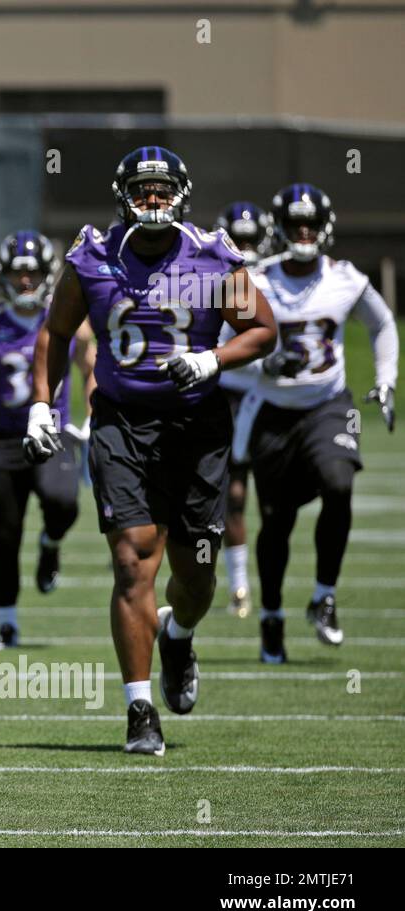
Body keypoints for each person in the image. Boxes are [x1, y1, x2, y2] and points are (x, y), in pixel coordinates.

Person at [25, 147, 276, 756]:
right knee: (134, 561)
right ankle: (140, 708)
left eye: (164, 190)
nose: (155, 200)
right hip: (122, 424)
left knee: (195, 573)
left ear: (181, 193)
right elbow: (56, 334)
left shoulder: (213, 254)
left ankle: (179, 632)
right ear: (123, 195)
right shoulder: (91, 256)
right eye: (145, 189)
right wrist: (41, 404)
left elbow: (264, 330)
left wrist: (213, 356)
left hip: (196, 429)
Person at [243, 184, 397, 662]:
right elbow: (224, 343)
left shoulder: (345, 278)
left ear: (325, 227)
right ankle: (270, 616)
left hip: (329, 405)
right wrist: (264, 366)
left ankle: (323, 596)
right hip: (273, 413)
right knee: (276, 524)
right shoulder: (257, 281)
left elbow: (382, 323)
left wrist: (386, 378)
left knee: (339, 481)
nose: (303, 232)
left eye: (310, 224)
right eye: (295, 225)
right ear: (281, 229)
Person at [0, 230, 94, 650]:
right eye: (17, 272)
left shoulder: (64, 318)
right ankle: (6, 623)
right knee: (5, 536)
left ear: (48, 274)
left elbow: (92, 366)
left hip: (52, 431)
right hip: (6, 439)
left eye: (33, 272)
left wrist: (93, 413)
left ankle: (51, 543)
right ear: (3, 275)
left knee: (63, 503)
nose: (25, 280)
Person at [212, 201, 274, 618]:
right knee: (232, 495)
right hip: (230, 395)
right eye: (239, 239)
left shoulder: (279, 279)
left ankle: (272, 593)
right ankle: (239, 587)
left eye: (251, 240)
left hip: (274, 398)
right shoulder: (214, 279)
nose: (246, 247)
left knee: (273, 497)